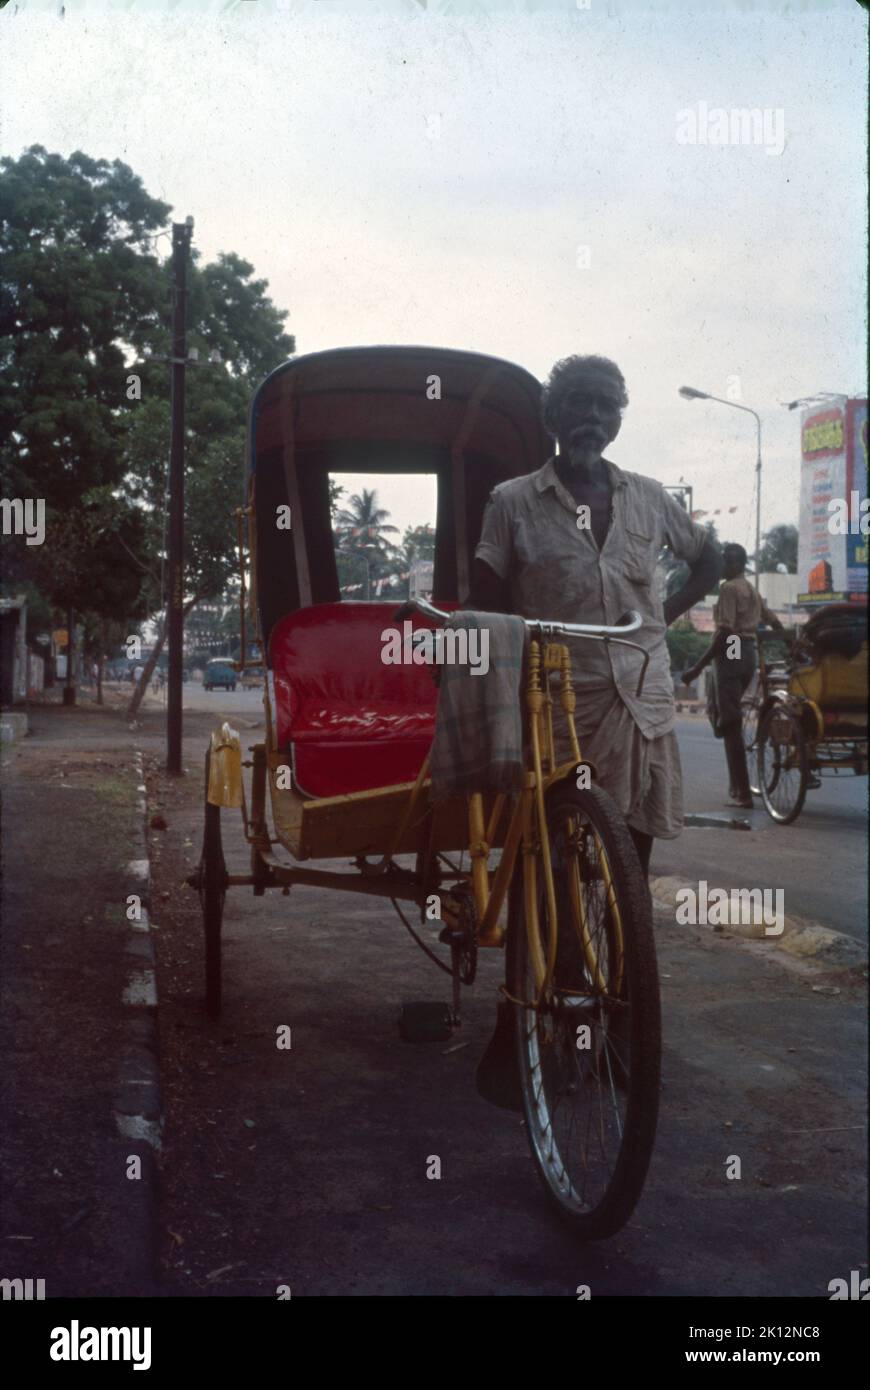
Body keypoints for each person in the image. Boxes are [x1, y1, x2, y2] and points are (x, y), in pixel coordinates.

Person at [470, 353, 722, 877]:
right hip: (558, 700)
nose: (593, 415)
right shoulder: (512, 501)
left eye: (606, 405)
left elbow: (708, 559)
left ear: (618, 421)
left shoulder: (649, 497)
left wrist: (661, 617)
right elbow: (487, 597)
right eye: (579, 402)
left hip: (641, 698)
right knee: (553, 844)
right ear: (552, 418)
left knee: (632, 848)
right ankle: (554, 952)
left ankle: (623, 948)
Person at [682, 541, 783, 808]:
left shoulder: (729, 588)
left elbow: (726, 631)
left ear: (736, 564)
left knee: (730, 724)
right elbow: (773, 619)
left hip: (735, 647)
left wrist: (697, 667)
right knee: (731, 720)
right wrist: (788, 642)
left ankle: (742, 792)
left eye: (726, 561)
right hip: (747, 650)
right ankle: (738, 787)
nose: (722, 567)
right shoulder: (750, 588)